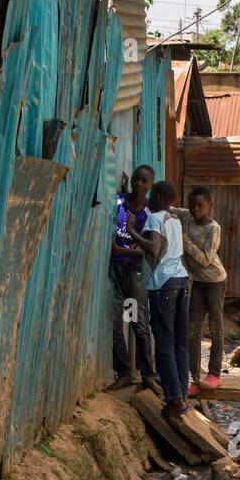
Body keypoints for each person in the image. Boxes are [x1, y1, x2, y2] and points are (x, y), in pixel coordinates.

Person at [130, 181, 190, 418]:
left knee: (164, 342)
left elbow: (153, 250)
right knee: (179, 342)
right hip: (182, 281)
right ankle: (182, 393)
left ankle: (174, 400)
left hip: (163, 285)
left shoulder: (155, 218)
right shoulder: (174, 219)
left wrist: (132, 229)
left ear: (156, 196)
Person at [109, 165, 157, 392]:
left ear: (150, 186)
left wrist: (121, 250)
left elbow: (150, 251)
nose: (138, 183)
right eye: (136, 179)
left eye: (144, 181)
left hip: (137, 273)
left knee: (139, 323)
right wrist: (123, 251)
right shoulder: (117, 203)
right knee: (116, 323)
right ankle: (125, 372)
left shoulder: (149, 213)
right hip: (116, 272)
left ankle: (148, 374)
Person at [175, 186, 225, 392]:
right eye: (192, 204)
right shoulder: (186, 215)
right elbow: (168, 208)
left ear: (209, 206)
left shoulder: (214, 228)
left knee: (215, 327)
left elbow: (205, 260)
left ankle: (214, 373)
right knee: (192, 329)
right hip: (196, 282)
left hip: (214, 281)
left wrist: (185, 242)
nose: (195, 209)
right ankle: (193, 376)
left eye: (200, 205)